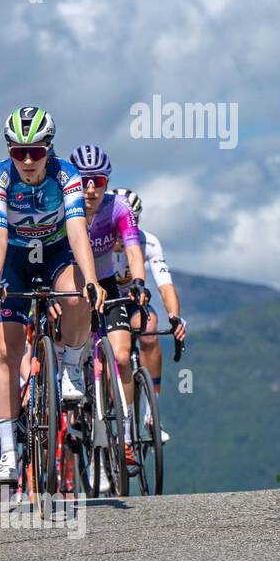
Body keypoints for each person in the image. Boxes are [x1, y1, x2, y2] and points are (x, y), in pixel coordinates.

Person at [0, 107, 104, 487]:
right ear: (9, 151)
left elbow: (77, 229)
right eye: (19, 152)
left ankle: (70, 366)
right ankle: (8, 449)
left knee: (77, 296)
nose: (28, 160)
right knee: (5, 349)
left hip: (54, 252)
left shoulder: (66, 175)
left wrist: (92, 280)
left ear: (49, 149)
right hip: (15, 258)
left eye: (35, 151)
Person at [69, 145, 148, 492]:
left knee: (121, 356)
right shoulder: (64, 207)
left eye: (98, 181)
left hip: (107, 284)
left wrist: (139, 281)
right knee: (71, 349)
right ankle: (76, 411)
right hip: (72, 284)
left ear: (107, 182)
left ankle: (126, 436)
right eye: (84, 181)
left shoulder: (118, 208)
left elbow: (132, 248)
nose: (90, 189)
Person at [111, 188, 185, 443]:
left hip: (133, 304)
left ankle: (152, 412)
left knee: (150, 330)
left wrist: (175, 317)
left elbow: (165, 286)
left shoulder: (148, 242)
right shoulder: (96, 238)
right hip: (105, 303)